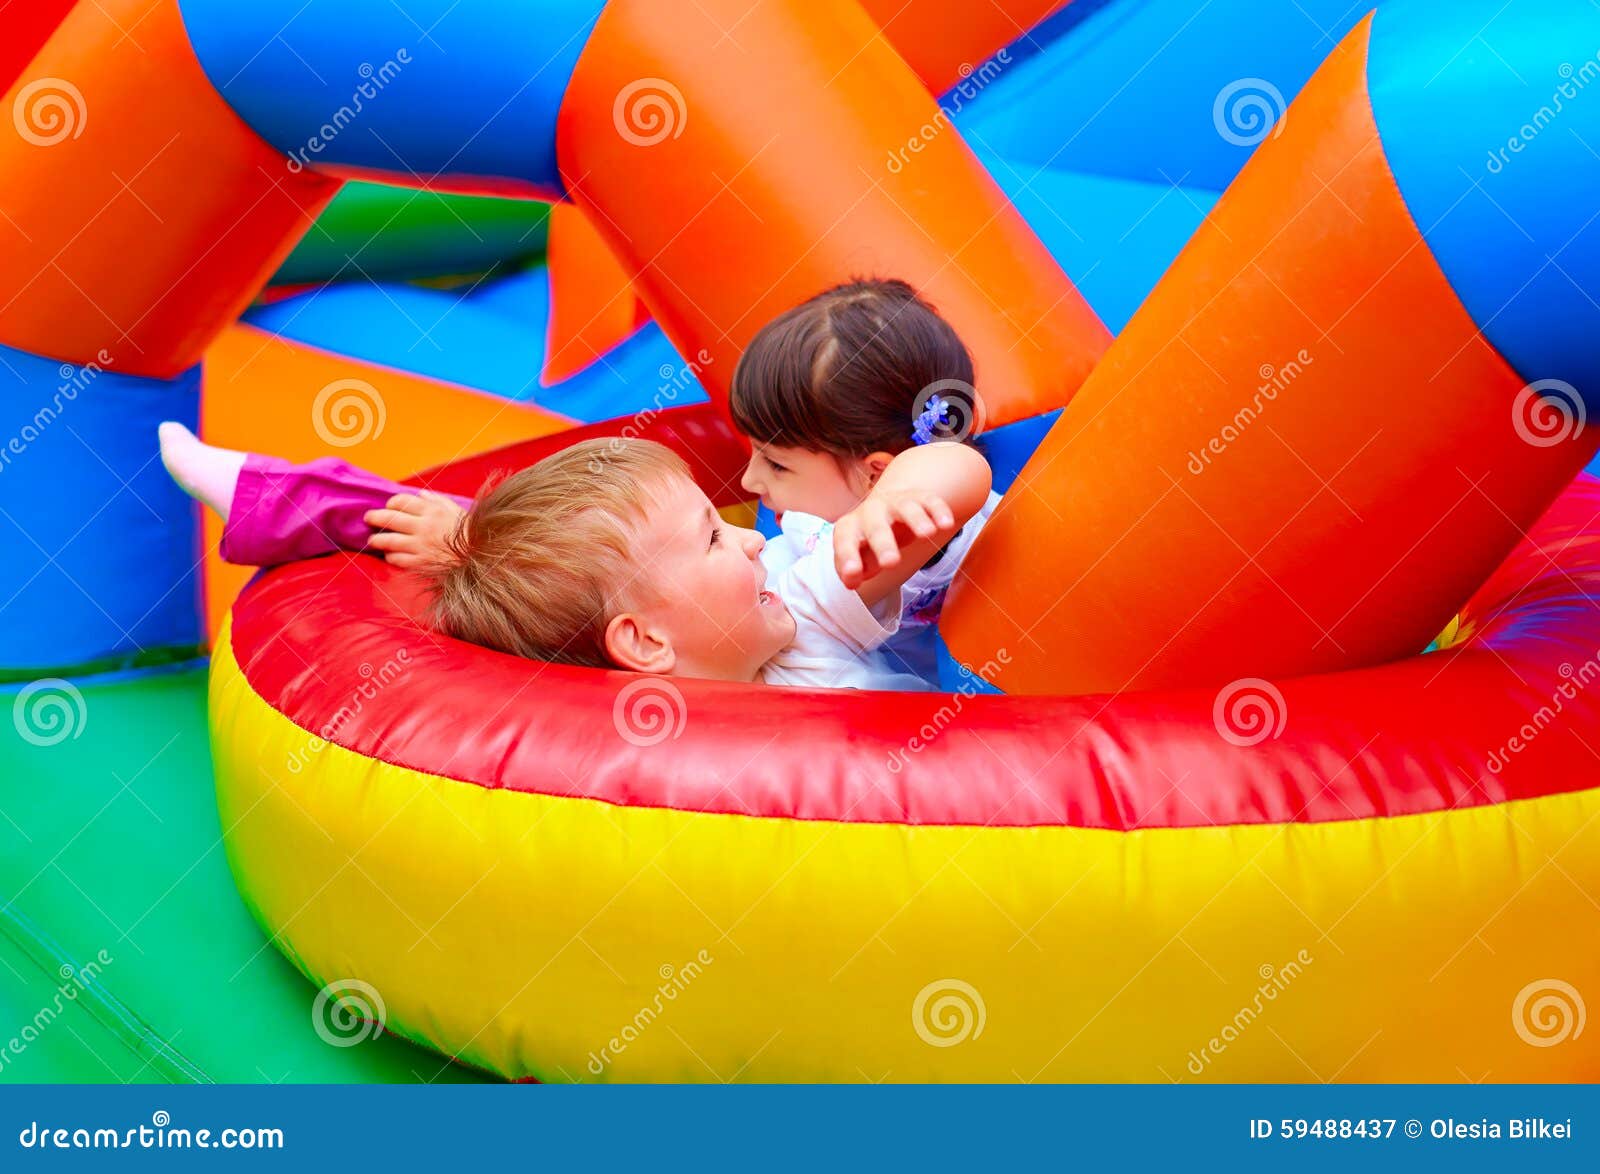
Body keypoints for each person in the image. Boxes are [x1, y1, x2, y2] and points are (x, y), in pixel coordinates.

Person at [158, 423, 991, 690]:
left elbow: (959, 469)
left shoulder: (796, 602)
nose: (754, 536)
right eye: (714, 536)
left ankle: (275, 495)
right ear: (644, 643)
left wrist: (898, 500)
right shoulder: (616, 715)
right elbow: (563, 586)